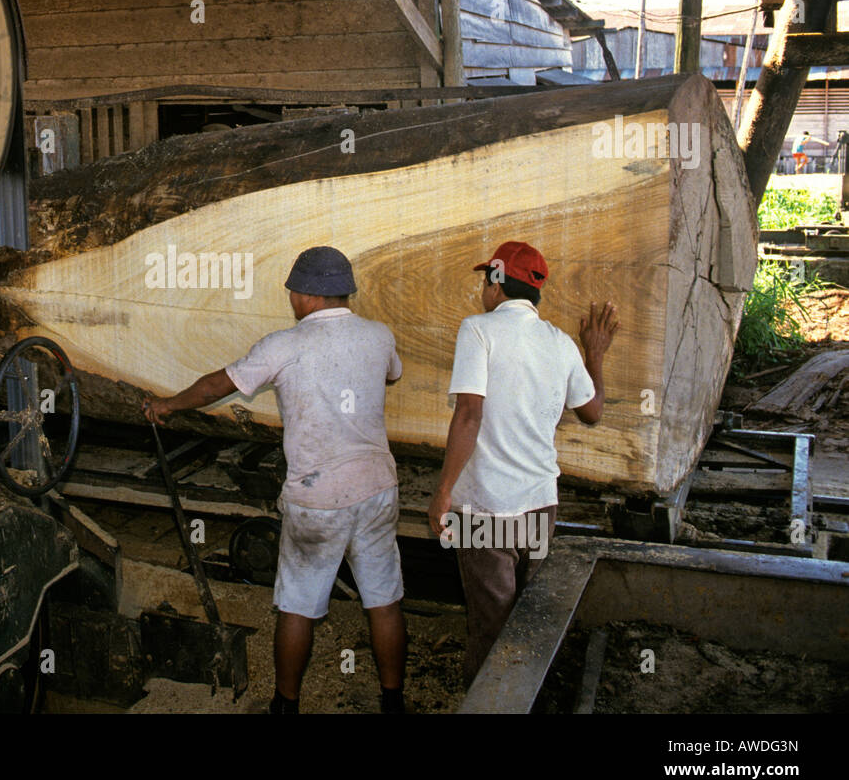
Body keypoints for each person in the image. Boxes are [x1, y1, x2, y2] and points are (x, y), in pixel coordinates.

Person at [143, 246, 406, 714]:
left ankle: (285, 707)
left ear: (306, 294)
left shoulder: (282, 346)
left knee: (297, 607)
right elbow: (389, 376)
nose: (289, 297)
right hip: (377, 489)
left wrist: (166, 404)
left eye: (291, 289)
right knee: (383, 602)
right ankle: (393, 702)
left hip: (318, 500)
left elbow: (214, 387)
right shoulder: (379, 336)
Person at [426, 241, 618, 689]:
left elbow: (469, 415)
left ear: (496, 282)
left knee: (491, 629)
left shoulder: (478, 330)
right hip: (539, 507)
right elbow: (592, 412)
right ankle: (532, 696)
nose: (481, 289)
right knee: (531, 622)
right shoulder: (560, 343)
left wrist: (443, 491)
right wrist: (595, 353)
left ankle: (490, 702)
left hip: (485, 511)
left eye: (484, 279)